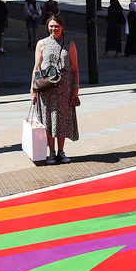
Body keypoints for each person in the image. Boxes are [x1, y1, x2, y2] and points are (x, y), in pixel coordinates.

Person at [29, 14, 80, 165]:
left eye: (56, 26)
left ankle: (61, 151)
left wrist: (76, 87)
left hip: (64, 88)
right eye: (51, 26)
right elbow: (36, 67)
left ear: (62, 27)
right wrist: (32, 90)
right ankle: (51, 152)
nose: (53, 29)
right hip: (46, 88)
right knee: (48, 120)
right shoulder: (41, 44)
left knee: (61, 119)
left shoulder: (69, 44)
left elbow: (75, 68)